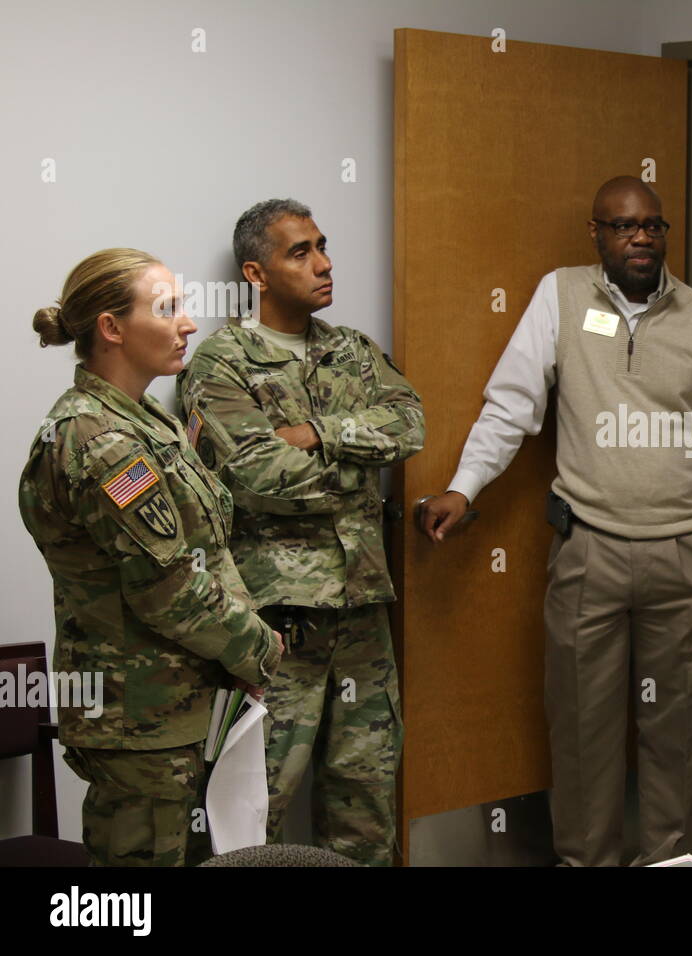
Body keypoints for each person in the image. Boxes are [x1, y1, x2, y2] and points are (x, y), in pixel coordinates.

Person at [418, 176, 692, 866]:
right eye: (623, 226)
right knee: (581, 729)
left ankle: (670, 861)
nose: (640, 238)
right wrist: (463, 485)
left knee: (676, 732)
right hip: (590, 553)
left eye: (653, 226)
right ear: (595, 234)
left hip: (685, 558)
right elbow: (512, 404)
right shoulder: (562, 295)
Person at [177, 199, 425, 866]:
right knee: (255, 805)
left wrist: (322, 431)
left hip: (362, 612)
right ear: (256, 273)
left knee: (367, 801)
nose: (325, 263)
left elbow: (410, 426)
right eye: (301, 252)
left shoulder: (350, 349)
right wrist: (356, 475)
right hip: (275, 626)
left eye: (323, 245)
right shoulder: (221, 363)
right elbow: (256, 474)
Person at [19, 248, 283, 866]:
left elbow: (203, 549)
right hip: (141, 721)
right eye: (168, 309)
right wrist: (259, 648)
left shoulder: (145, 420)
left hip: (181, 707)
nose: (188, 323)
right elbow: (167, 590)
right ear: (111, 328)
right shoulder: (103, 442)